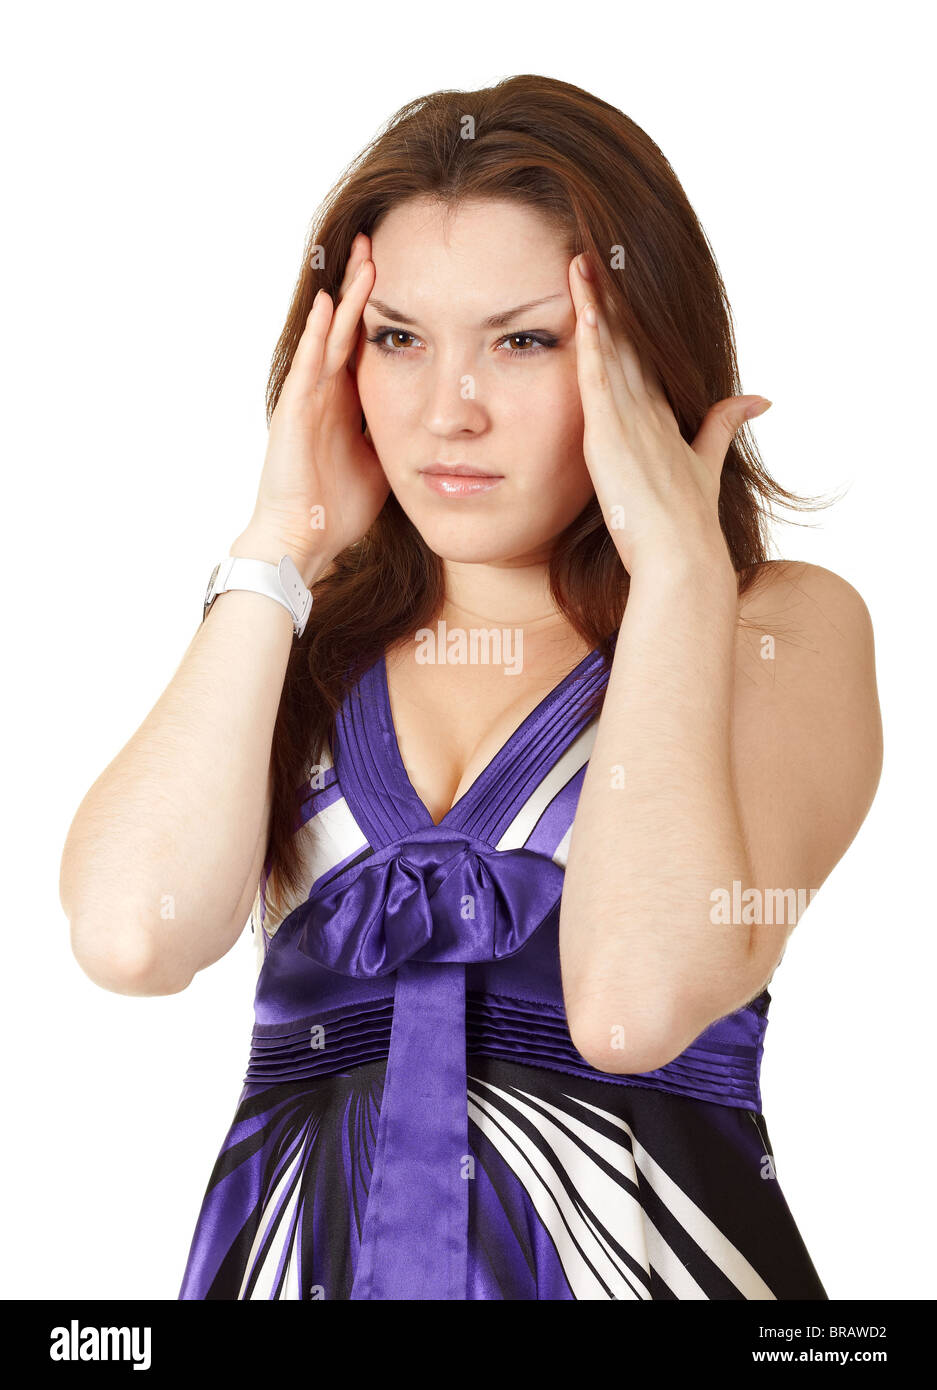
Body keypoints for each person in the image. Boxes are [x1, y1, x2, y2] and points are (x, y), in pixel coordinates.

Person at [60, 75, 882, 1300]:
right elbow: (130, 936)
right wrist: (277, 545)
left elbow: (629, 1008)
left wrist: (674, 571)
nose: (450, 410)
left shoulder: (771, 624)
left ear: (642, 353)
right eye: (397, 339)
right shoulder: (291, 643)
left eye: (524, 339)